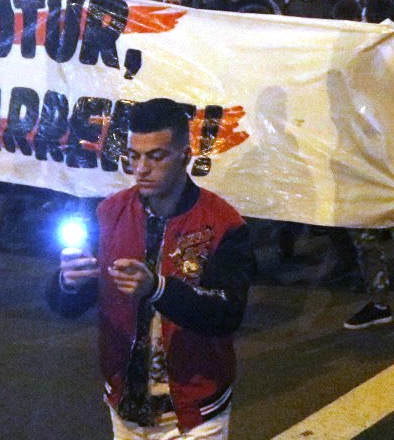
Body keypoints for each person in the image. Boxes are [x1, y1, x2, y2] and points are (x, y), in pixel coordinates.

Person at [50, 97, 253, 439]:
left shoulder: (223, 223)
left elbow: (228, 313)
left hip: (195, 412)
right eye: (133, 156)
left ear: (185, 156)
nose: (141, 168)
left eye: (156, 156)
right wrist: (67, 284)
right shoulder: (108, 213)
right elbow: (70, 306)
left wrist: (158, 288)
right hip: (126, 406)